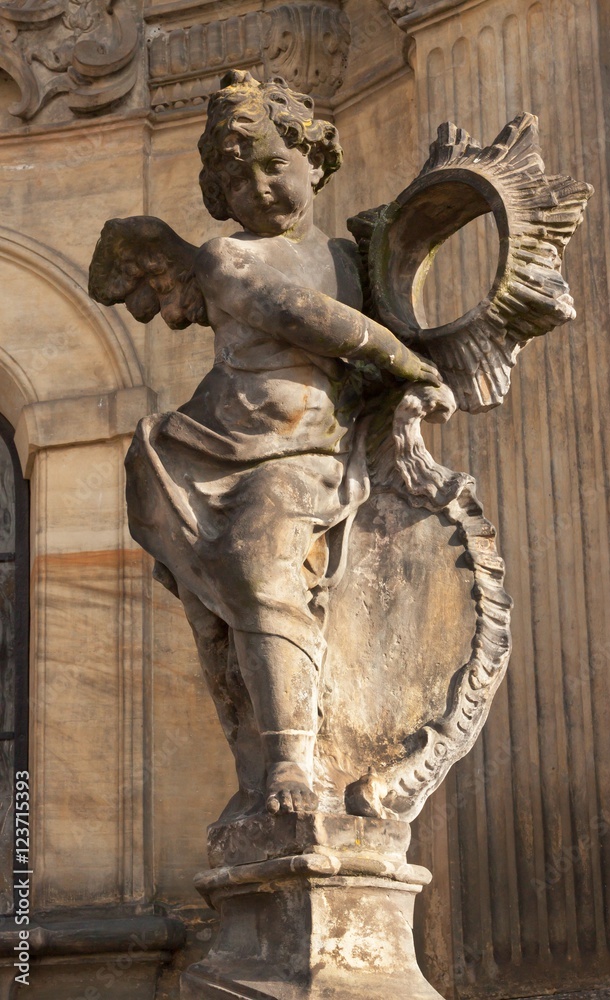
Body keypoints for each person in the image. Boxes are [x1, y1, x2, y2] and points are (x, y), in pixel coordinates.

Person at [126, 70, 441, 816]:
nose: (260, 188)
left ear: (314, 160)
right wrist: (404, 362)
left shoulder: (346, 256)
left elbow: (396, 314)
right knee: (254, 577)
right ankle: (286, 760)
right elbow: (304, 318)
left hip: (314, 446)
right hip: (223, 443)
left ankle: (294, 756)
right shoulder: (227, 259)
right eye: (237, 178)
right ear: (218, 195)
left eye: (274, 165)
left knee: (259, 575)